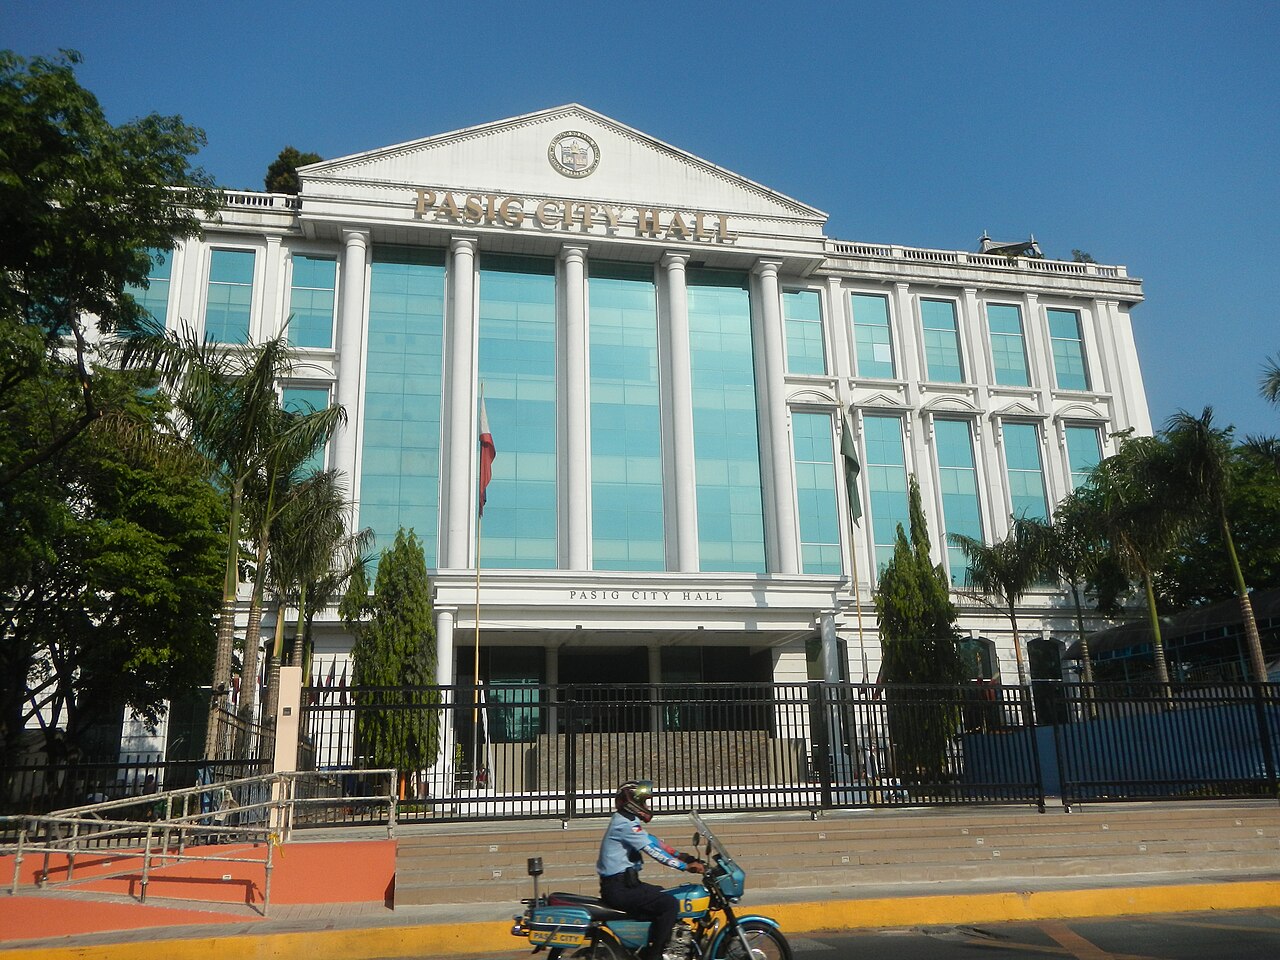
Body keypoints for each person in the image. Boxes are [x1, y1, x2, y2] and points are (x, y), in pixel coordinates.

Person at [596, 779, 703, 960]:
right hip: (620, 888)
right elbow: (653, 850)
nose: (646, 806)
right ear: (631, 802)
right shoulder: (624, 824)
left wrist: (684, 856)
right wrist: (685, 867)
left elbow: (653, 841)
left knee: (662, 893)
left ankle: (650, 946)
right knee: (669, 904)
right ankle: (655, 955)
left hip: (625, 885)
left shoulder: (627, 821)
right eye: (643, 802)